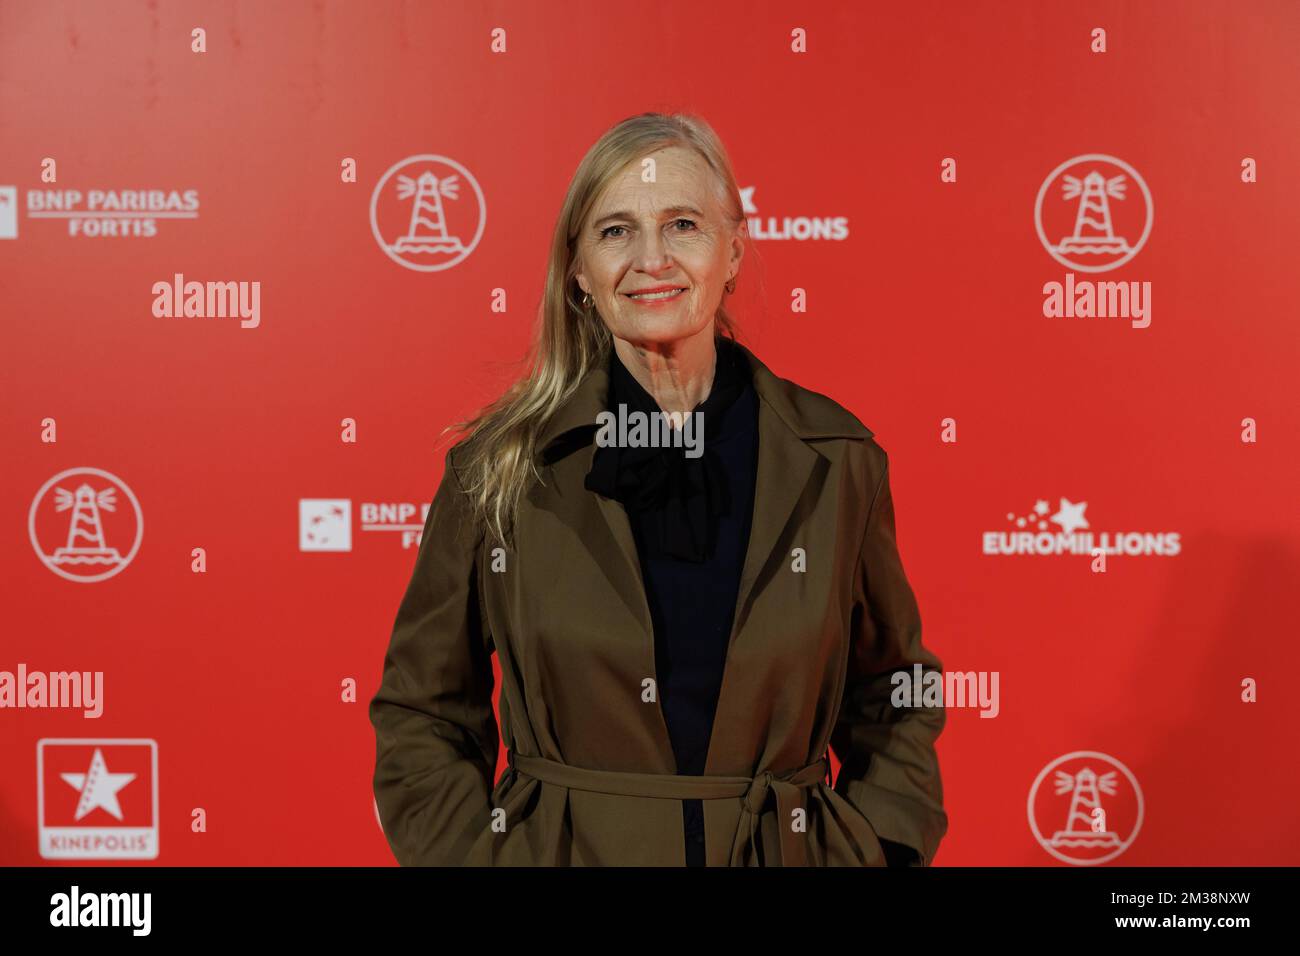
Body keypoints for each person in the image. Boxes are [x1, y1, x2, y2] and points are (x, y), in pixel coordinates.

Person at [368, 111, 948, 866]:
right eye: (615, 232)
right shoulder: (497, 471)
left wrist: (882, 850)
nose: (652, 259)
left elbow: (896, 694)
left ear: (732, 251)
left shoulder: (837, 460)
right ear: (577, 271)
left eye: (682, 225)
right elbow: (422, 711)